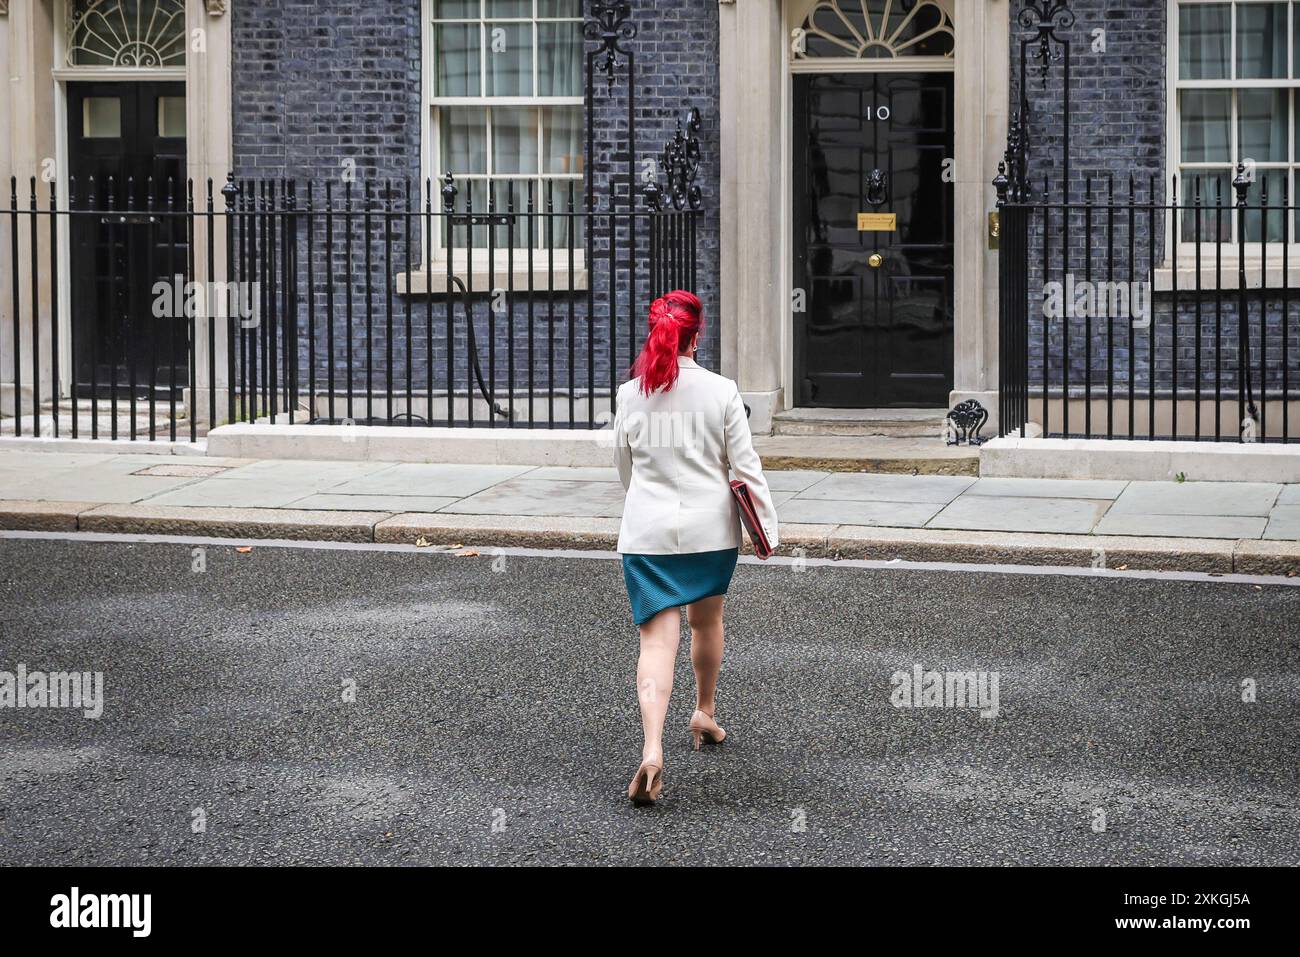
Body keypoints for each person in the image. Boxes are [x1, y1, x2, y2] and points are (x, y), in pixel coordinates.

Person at [612, 290, 779, 805]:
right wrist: (765, 531)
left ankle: (653, 748)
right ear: (697, 335)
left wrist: (646, 504)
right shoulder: (722, 390)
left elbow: (625, 469)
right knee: (706, 623)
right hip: (710, 534)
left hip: (648, 535)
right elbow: (745, 470)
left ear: (653, 331)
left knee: (655, 644)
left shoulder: (630, 394)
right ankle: (704, 711)